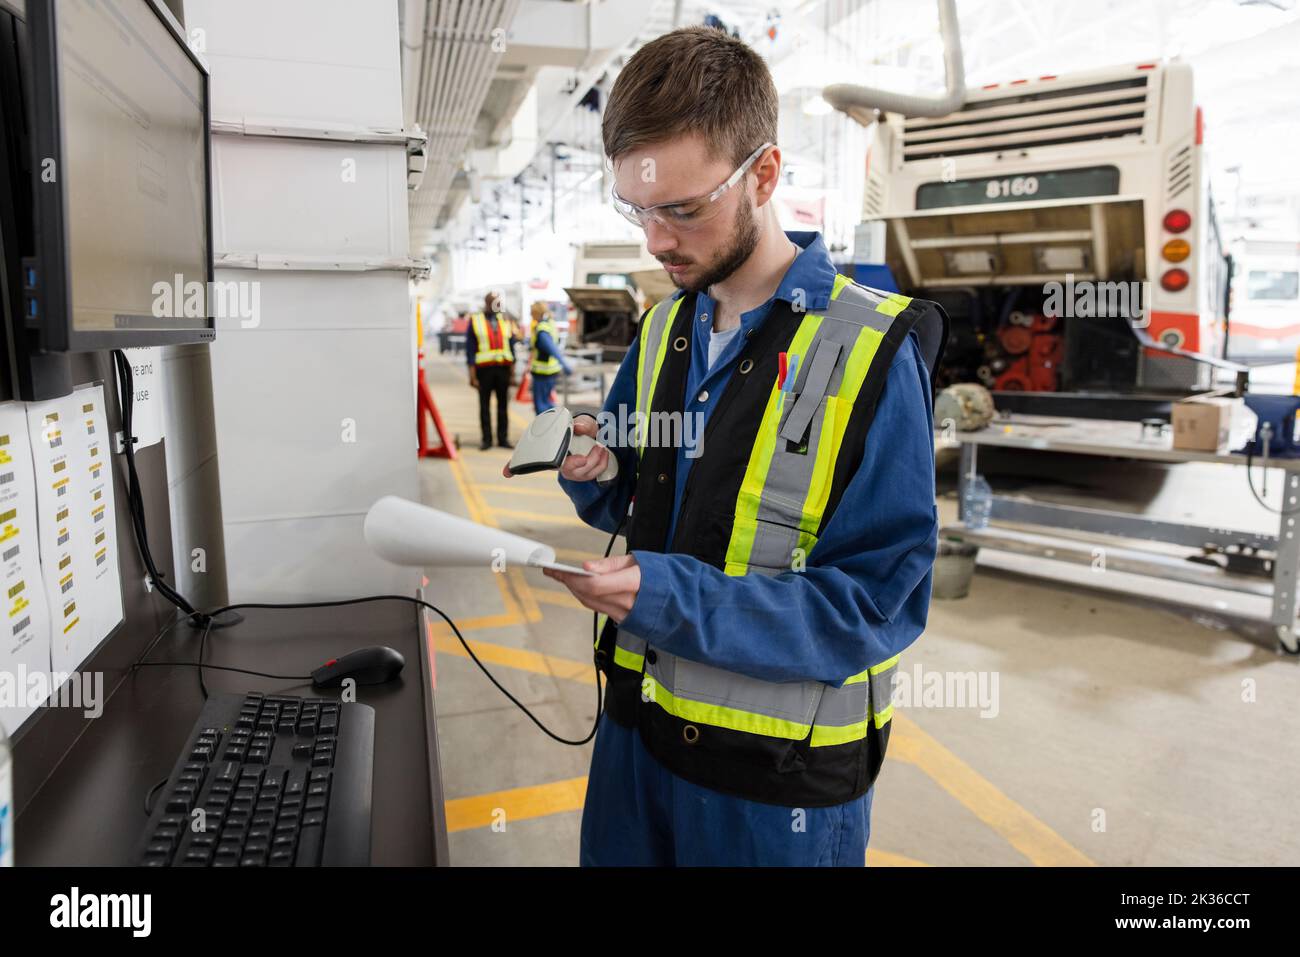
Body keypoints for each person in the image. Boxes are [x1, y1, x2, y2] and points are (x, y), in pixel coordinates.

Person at [506, 26, 946, 866]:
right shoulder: (666, 325)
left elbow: (873, 604)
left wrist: (664, 595)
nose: (656, 241)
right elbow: (645, 498)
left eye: (682, 208)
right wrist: (598, 471)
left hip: (771, 788)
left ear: (765, 175)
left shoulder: (874, 350)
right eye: (638, 209)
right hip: (637, 747)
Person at [466, 292, 521, 450]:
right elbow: (470, 350)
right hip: (484, 371)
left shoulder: (505, 320)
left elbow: (511, 348)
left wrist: (512, 373)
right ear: (486, 302)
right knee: (484, 406)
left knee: (503, 406)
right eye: (493, 302)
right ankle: (487, 440)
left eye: (498, 302)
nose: (496, 305)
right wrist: (472, 376)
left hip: (503, 370)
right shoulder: (475, 320)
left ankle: (503, 439)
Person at [528, 301, 572, 414]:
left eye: (532, 313)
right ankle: (550, 427)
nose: (531, 315)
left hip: (542, 373)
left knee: (542, 406)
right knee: (547, 402)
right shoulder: (550, 323)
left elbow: (552, 349)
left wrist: (564, 364)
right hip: (551, 371)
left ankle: (545, 429)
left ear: (537, 313)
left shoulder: (542, 329)